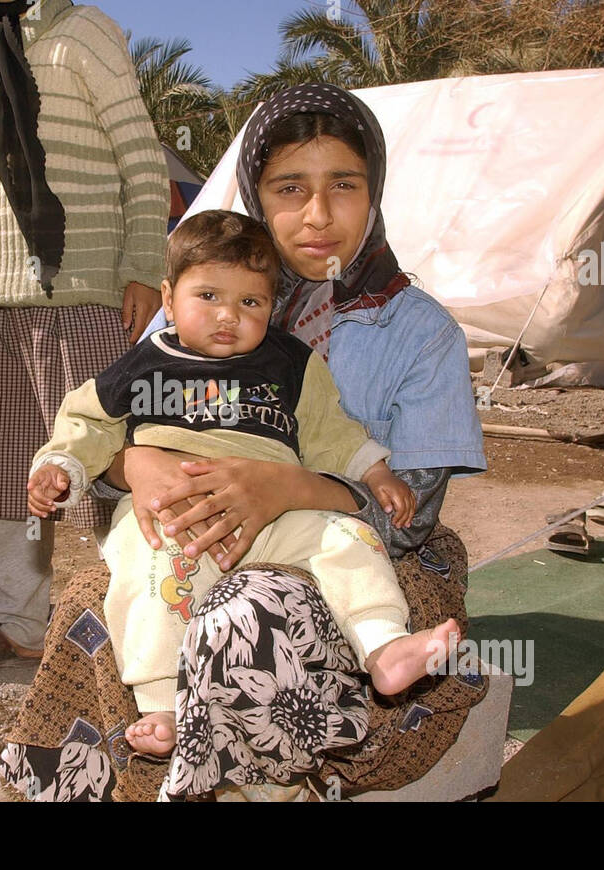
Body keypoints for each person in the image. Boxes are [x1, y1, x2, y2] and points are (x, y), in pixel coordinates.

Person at [0, 83, 488, 801]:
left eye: (343, 185)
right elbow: (111, 422)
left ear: (375, 191)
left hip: (357, 552)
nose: (317, 214)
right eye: (290, 188)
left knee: (246, 610)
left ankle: (273, 781)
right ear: (258, 197)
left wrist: (283, 488)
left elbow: (406, 514)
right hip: (192, 533)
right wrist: (135, 462)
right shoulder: (205, 296)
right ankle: (150, 736)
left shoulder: (421, 334)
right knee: (99, 591)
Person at [27, 210, 459, 749]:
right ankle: (162, 703)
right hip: (175, 513)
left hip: (274, 511)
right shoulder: (145, 363)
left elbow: (330, 431)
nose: (227, 315)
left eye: (249, 302)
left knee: (349, 538)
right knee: (152, 573)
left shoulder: (292, 362)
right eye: (207, 296)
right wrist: (61, 466)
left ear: (272, 308)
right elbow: (88, 420)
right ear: (168, 298)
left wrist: (374, 470)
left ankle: (384, 644)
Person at [0, 0, 168, 673]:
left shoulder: (83, 31)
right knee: (2, 480)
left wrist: (145, 265)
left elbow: (142, 157)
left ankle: (136, 630)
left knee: (106, 475)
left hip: (84, 295)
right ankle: (25, 625)